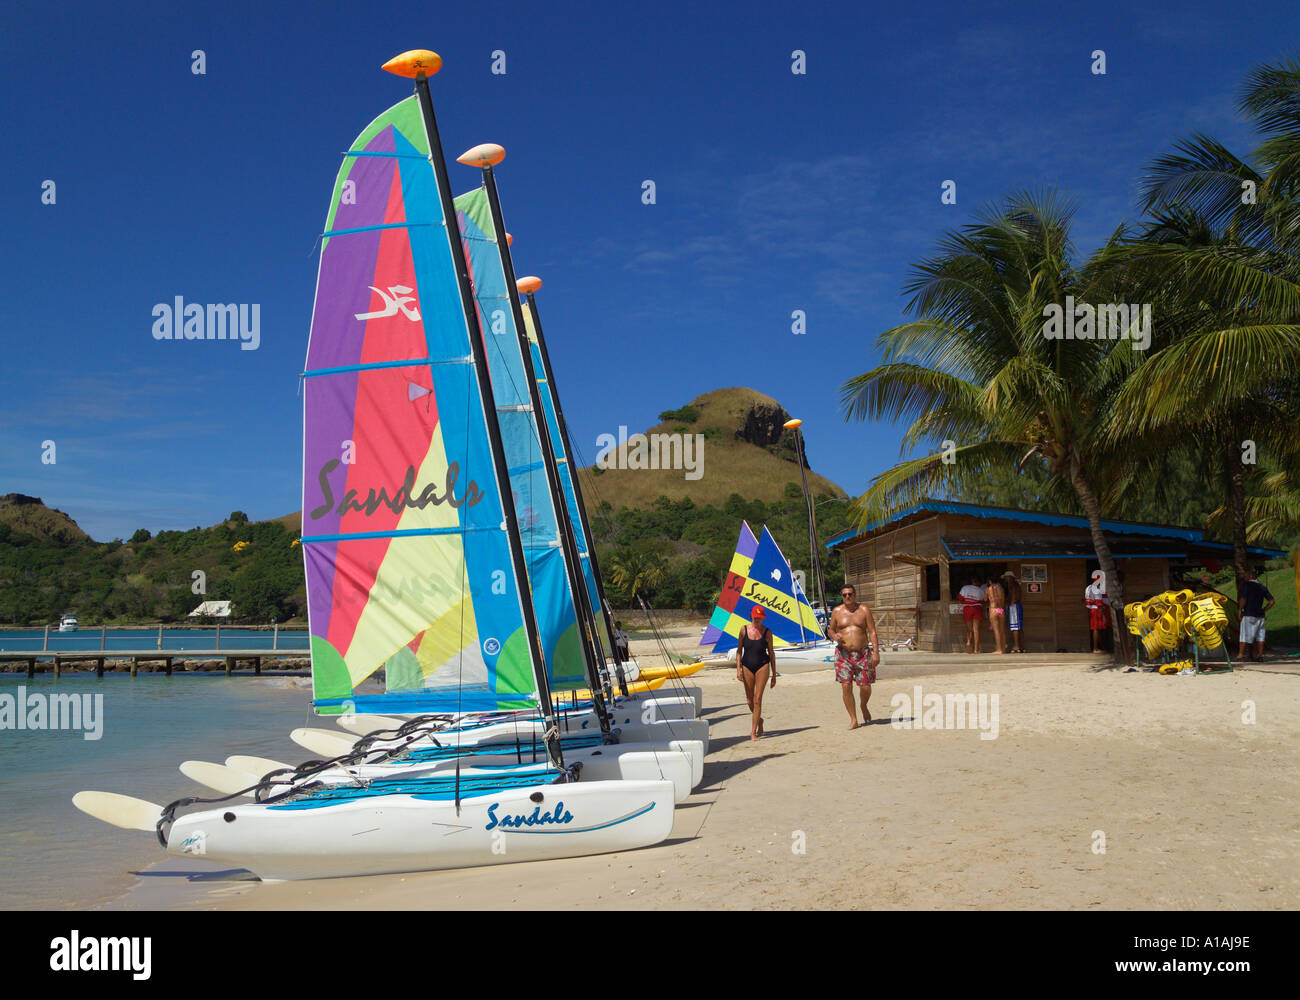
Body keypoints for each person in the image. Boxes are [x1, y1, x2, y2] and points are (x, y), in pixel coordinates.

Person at [827, 584, 879, 729]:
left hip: (863, 654)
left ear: (855, 595)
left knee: (865, 687)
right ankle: (853, 719)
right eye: (844, 595)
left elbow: (872, 631)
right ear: (842, 596)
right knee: (846, 686)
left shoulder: (864, 610)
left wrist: (876, 652)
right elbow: (830, 629)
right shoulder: (837, 611)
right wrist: (834, 635)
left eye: (850, 594)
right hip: (843, 654)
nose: (847, 597)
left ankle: (863, 705)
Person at [735, 606, 776, 740]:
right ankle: (760, 720)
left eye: (760, 618)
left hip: (762, 665)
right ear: (751, 616)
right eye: (755, 617)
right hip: (747, 665)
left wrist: (774, 674)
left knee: (757, 699)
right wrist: (738, 669)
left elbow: (771, 653)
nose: (757, 620)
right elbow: (739, 651)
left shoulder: (767, 632)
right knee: (749, 700)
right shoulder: (743, 630)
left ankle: (753, 732)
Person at [1237, 567, 1275, 662]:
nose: (1244, 578)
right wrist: (1264, 610)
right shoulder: (1262, 587)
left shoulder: (1247, 585)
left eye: (1245, 576)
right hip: (1260, 615)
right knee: (1260, 636)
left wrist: (1240, 609)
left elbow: (1243, 598)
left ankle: (1241, 655)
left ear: (1250, 576)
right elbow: (1272, 601)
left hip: (1248, 613)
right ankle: (1259, 655)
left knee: (1244, 635)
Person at [958, 575, 985, 653]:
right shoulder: (980, 590)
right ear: (979, 582)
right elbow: (983, 601)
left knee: (969, 628)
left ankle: (969, 643)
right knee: (976, 629)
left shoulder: (965, 588)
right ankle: (976, 649)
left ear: (972, 581)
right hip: (977, 609)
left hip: (968, 608)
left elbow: (960, 598)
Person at [1085, 571, 1109, 653]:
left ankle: (1099, 648)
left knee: (1096, 629)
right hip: (1097, 610)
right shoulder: (1097, 590)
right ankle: (1095, 649)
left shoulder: (1088, 587)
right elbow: (1099, 604)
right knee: (1097, 629)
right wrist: (1104, 616)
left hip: (1092, 610)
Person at [1001, 571, 1024, 652]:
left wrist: (1010, 603)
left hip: (1014, 606)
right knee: (1019, 627)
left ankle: (1016, 646)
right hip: (1017, 605)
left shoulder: (1012, 585)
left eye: (1006, 577)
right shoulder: (1016, 584)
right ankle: (1021, 646)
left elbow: (1014, 596)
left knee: (1015, 627)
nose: (1005, 579)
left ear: (1010, 577)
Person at [985, 575, 1008, 654]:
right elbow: (1003, 600)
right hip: (1001, 610)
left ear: (990, 581)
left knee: (996, 631)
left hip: (993, 610)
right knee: (1002, 631)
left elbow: (984, 599)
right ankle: (1003, 649)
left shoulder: (988, 589)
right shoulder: (1001, 589)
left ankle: (999, 649)